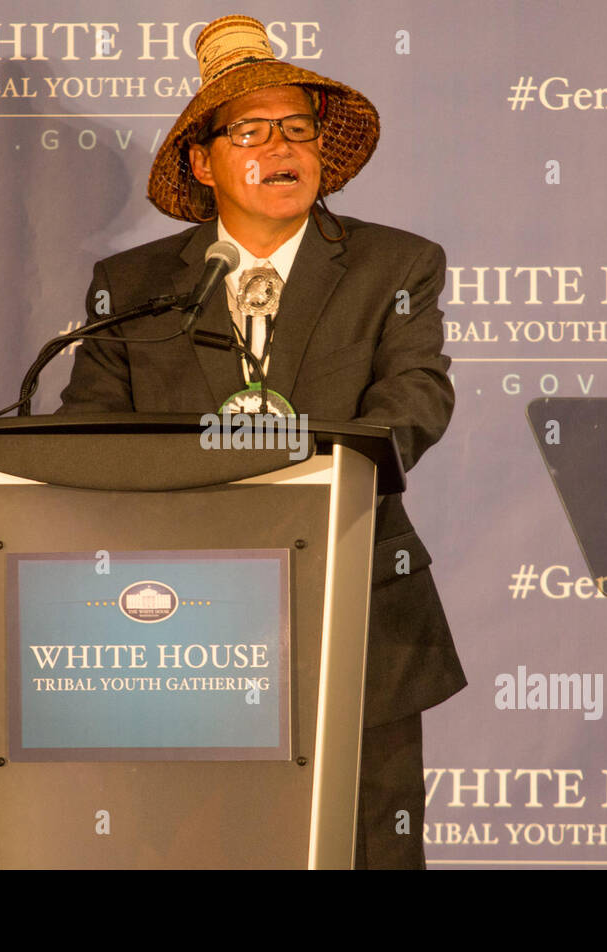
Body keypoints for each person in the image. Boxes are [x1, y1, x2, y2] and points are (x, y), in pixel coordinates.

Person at [58, 14, 466, 868]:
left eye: (298, 129)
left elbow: (416, 395)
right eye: (251, 130)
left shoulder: (397, 266)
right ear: (203, 162)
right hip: (180, 631)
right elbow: (88, 431)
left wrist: (308, 453)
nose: (282, 146)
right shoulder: (133, 288)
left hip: (360, 618)